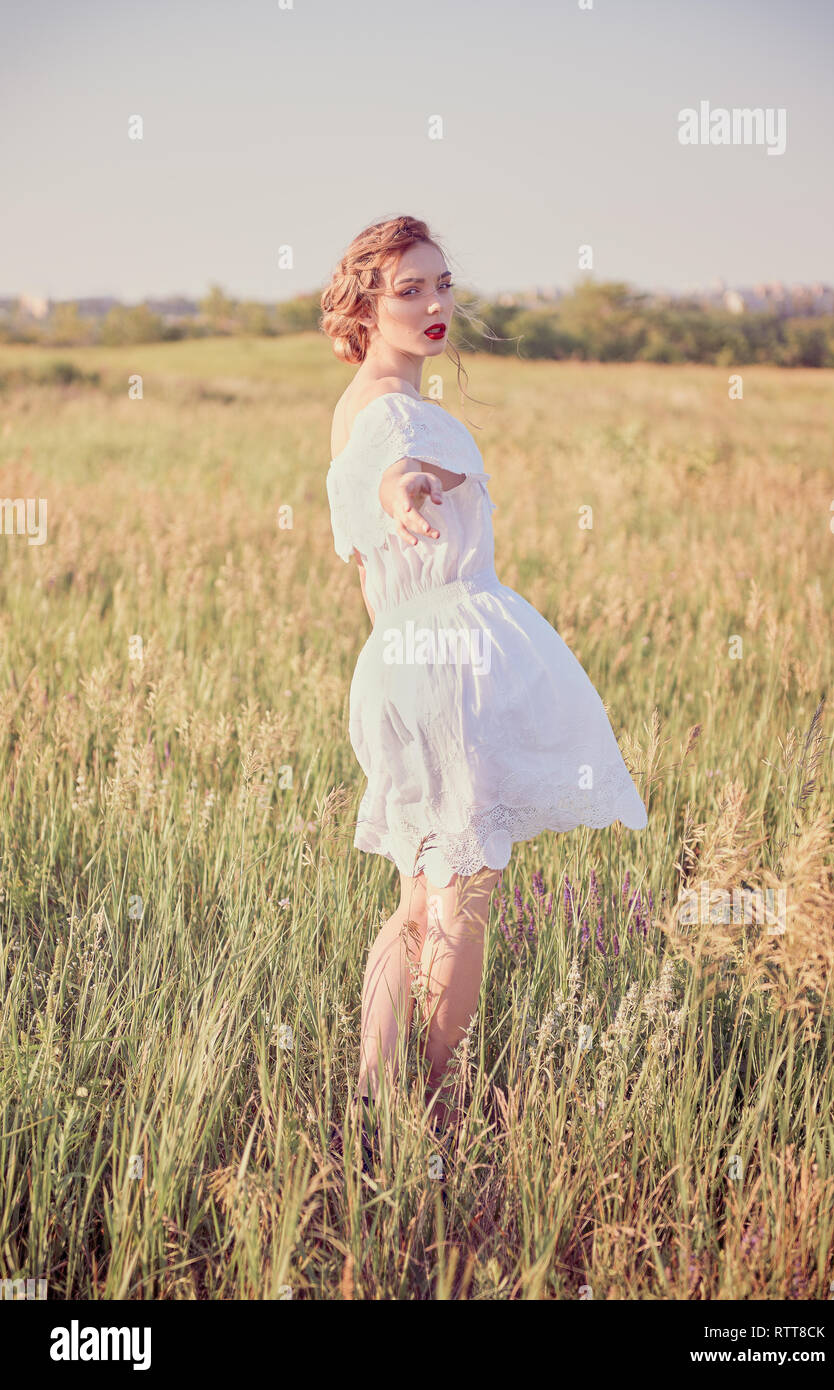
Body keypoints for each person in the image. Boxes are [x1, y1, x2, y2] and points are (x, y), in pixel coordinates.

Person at [321, 215, 647, 1154]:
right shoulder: (387, 412)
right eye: (408, 290)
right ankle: (435, 1109)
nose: (434, 306)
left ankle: (378, 1103)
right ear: (365, 304)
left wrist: (403, 504)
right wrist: (406, 493)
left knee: (419, 898)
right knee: (462, 894)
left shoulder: (359, 401)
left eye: (441, 284)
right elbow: (394, 480)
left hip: (401, 657)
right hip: (450, 660)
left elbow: (366, 536)